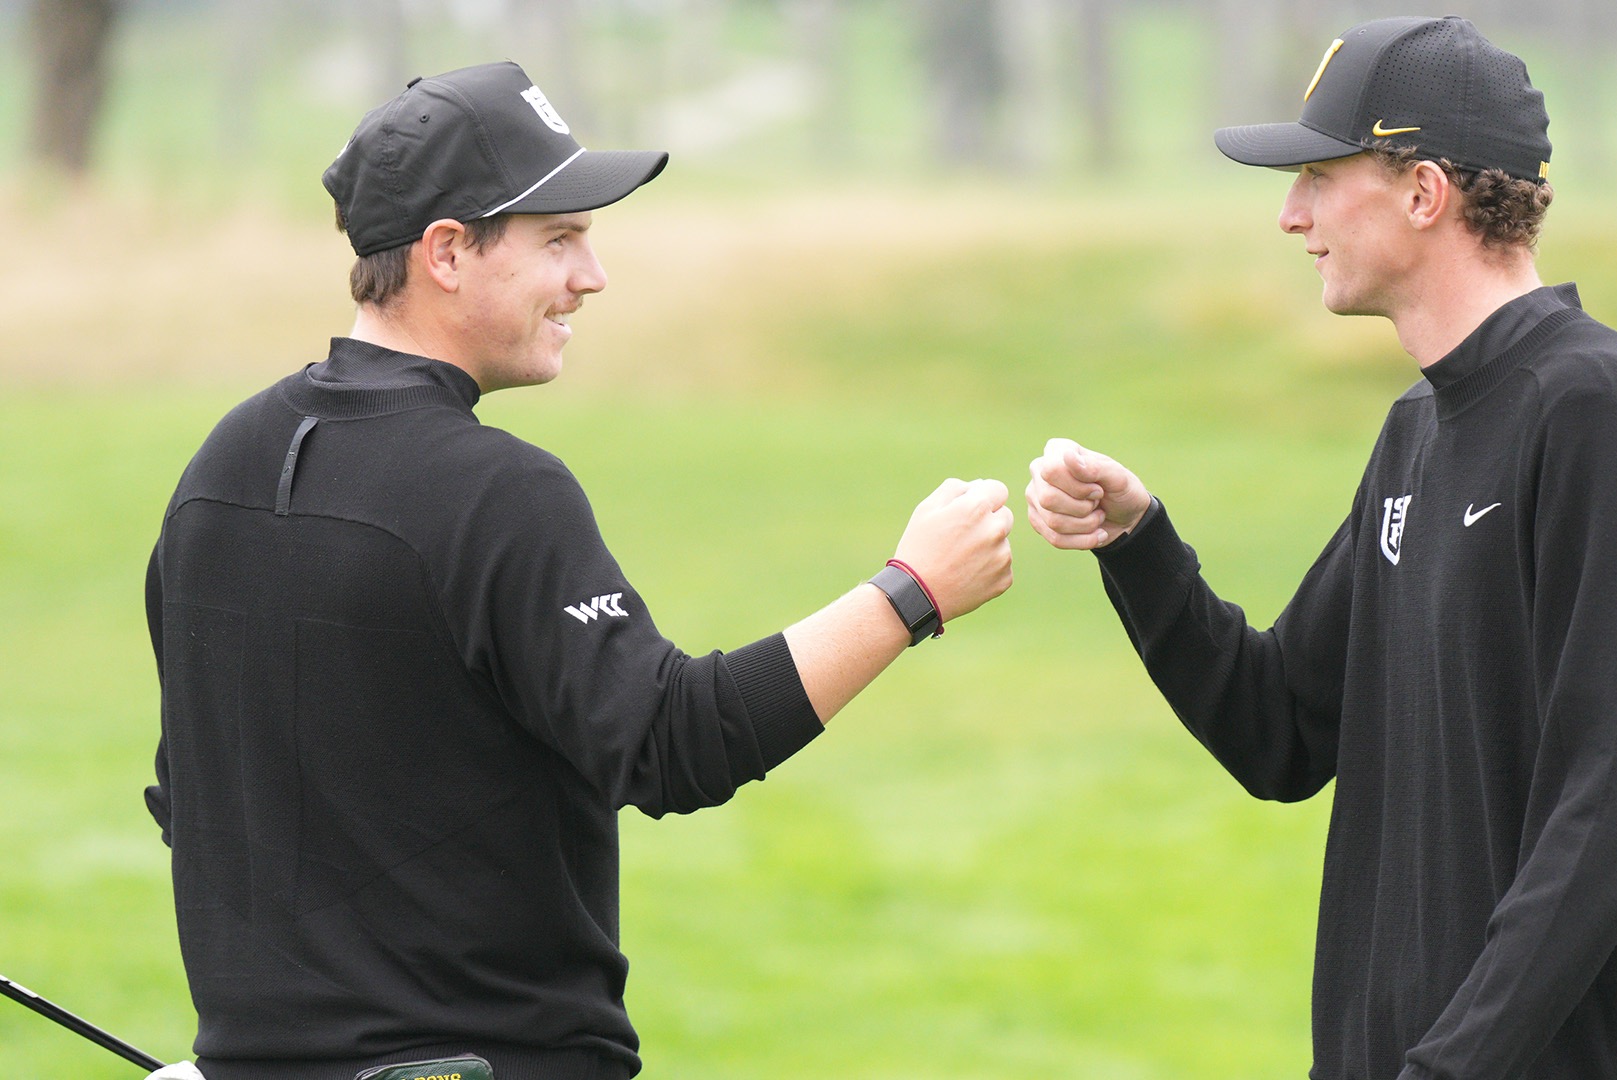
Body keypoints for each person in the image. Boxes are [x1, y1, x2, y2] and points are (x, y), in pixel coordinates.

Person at [143, 61, 1013, 1080]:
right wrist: (912, 591)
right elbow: (673, 741)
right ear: (446, 252)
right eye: (559, 239)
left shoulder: (223, 464)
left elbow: (192, 796)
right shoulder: (494, 491)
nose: (591, 276)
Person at [1026, 16, 1617, 1080]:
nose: (1291, 215)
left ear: (1423, 193)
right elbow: (1278, 730)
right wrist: (1139, 542)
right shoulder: (1420, 429)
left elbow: (1607, 811)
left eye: (1319, 177)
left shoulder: (1602, 414)